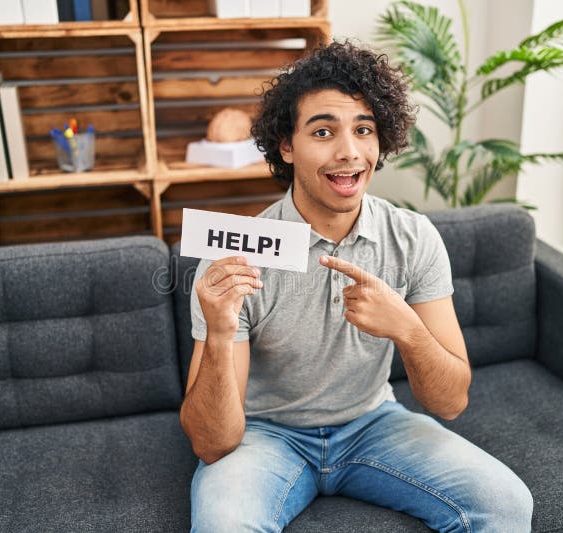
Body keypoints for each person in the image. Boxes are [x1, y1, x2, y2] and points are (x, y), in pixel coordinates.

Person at [181, 39, 534, 532]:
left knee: (505, 504)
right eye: (323, 131)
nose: (348, 152)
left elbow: (451, 402)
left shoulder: (412, 238)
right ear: (287, 146)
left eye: (363, 130)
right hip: (264, 434)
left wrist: (407, 329)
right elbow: (211, 443)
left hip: (373, 422)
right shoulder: (234, 257)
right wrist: (219, 333)